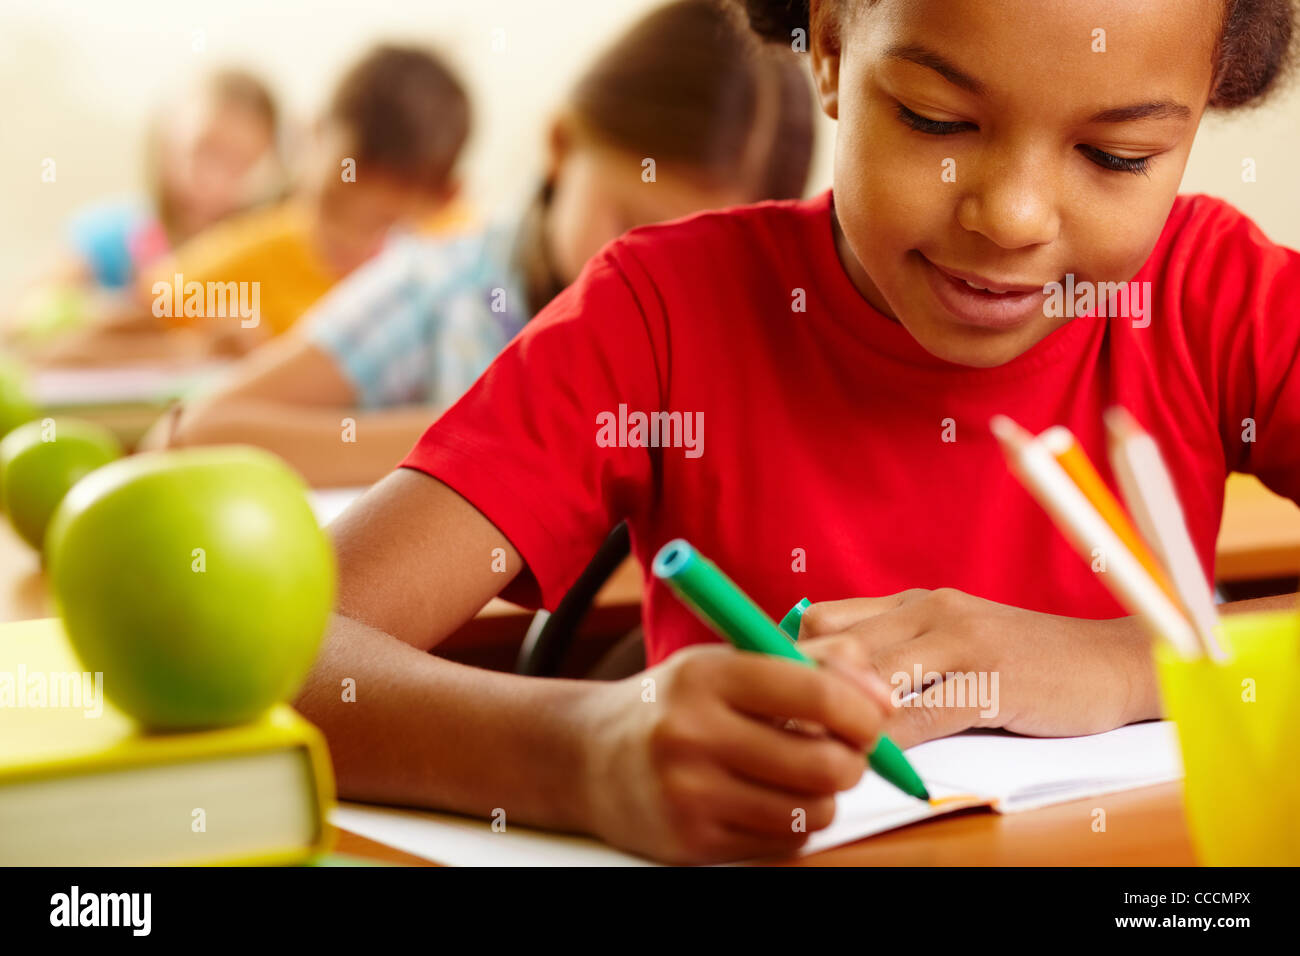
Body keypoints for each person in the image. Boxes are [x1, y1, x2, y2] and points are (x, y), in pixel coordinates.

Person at [297, 0, 1300, 864]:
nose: (1011, 215)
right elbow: (289, 654)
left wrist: (1130, 665)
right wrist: (583, 751)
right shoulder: (659, 316)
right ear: (826, 50)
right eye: (935, 117)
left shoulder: (1218, 299)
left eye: (1114, 155)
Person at [153, 0, 815, 487]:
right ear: (561, 146)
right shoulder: (442, 290)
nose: (650, 272)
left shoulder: (752, 334)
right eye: (629, 221)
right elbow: (189, 437)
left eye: (696, 256)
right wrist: (496, 436)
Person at [35, 44, 472, 365]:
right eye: (336, 206)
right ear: (311, 136)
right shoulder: (238, 259)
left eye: (385, 221)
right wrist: (190, 348)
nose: (354, 239)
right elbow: (67, 353)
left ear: (439, 196)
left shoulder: (458, 252)